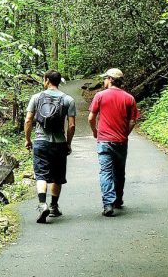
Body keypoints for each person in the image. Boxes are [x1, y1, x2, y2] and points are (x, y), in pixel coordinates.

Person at [25, 70, 76, 223]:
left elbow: (28, 120)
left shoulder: (36, 97)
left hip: (41, 141)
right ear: (59, 81)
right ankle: (54, 206)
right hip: (59, 142)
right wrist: (68, 143)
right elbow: (72, 125)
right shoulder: (68, 100)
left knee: (41, 174)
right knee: (57, 175)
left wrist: (27, 139)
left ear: (46, 80)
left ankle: (42, 204)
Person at [88, 68, 140, 217]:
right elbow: (132, 121)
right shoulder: (129, 98)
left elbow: (91, 117)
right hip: (121, 142)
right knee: (119, 171)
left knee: (105, 172)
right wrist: (124, 134)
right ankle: (118, 199)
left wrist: (94, 131)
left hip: (104, 140)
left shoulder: (100, 96)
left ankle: (108, 204)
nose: (104, 81)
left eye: (105, 78)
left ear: (110, 79)